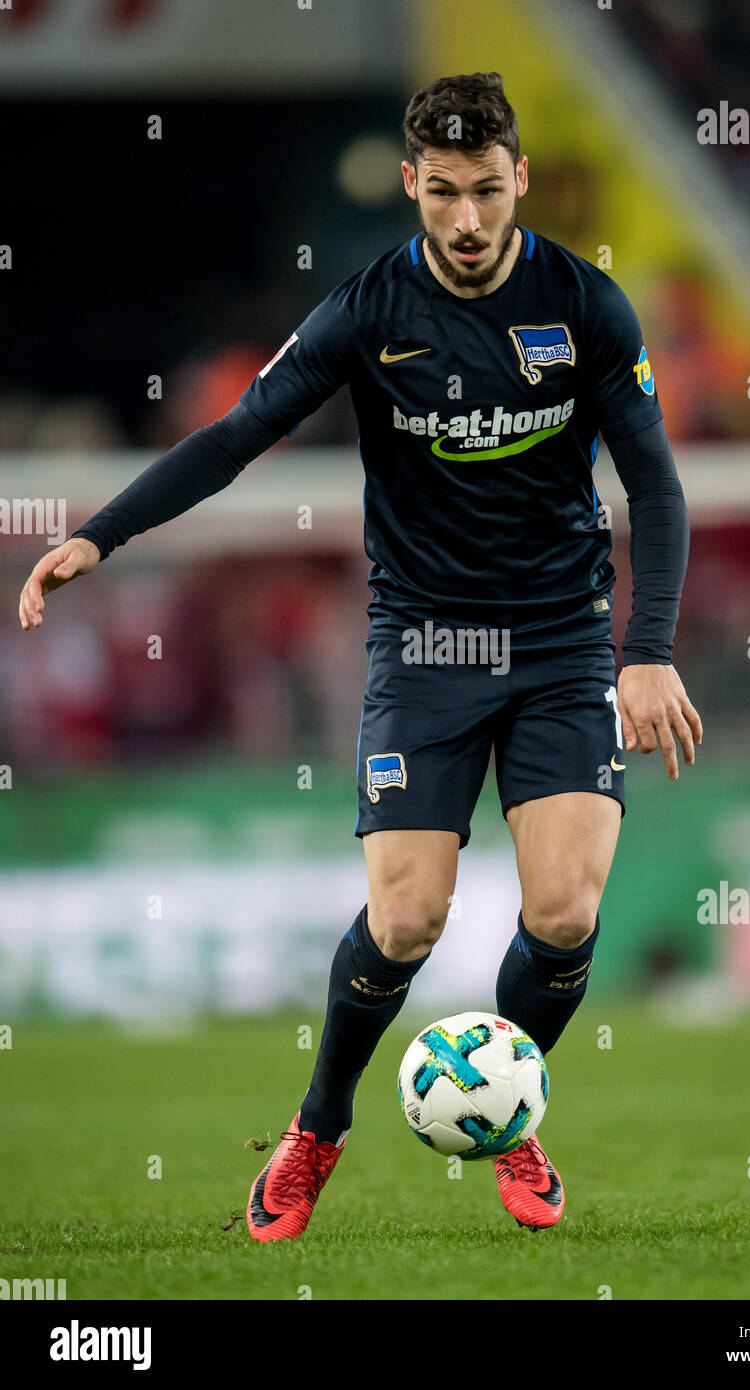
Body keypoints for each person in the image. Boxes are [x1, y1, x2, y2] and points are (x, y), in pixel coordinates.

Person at [19, 72, 702, 1239]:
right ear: (410, 186)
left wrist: (646, 651)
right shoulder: (365, 313)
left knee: (568, 910)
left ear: (519, 178)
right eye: (444, 194)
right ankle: (316, 1127)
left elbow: (654, 478)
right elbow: (237, 436)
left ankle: (505, 1101)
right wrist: (99, 532)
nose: (470, 220)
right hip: (425, 647)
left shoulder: (585, 305)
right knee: (403, 923)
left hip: (559, 645)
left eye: (489, 190)